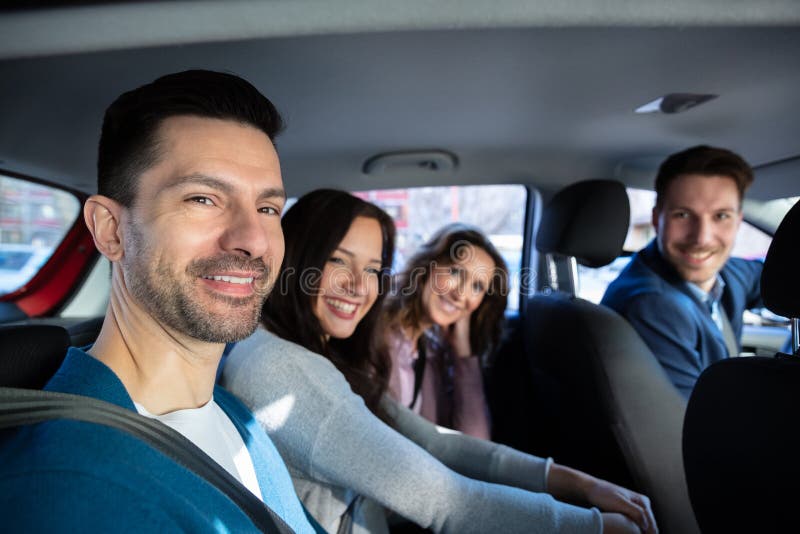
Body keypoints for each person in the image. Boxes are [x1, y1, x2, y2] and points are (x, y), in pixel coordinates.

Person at [223, 189, 657, 534]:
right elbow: (447, 500)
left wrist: (578, 483)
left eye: (373, 269)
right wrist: (596, 526)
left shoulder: (327, 353)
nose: (358, 286)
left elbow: (435, 441)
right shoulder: (287, 371)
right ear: (298, 258)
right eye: (338, 260)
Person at [0, 70, 316, 532]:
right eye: (203, 199)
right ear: (110, 230)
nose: (253, 239)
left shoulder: (233, 415)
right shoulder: (71, 491)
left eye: (267, 208)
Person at [602, 145, 763, 398]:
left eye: (721, 216)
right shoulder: (653, 306)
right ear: (657, 219)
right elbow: (700, 425)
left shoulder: (727, 274)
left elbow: (779, 279)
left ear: (738, 221)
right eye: (683, 215)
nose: (702, 238)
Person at [381, 224, 505, 439]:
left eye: (477, 287)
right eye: (456, 272)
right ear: (428, 265)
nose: (460, 294)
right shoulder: (377, 333)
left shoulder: (430, 353)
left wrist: (464, 354)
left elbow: (473, 441)